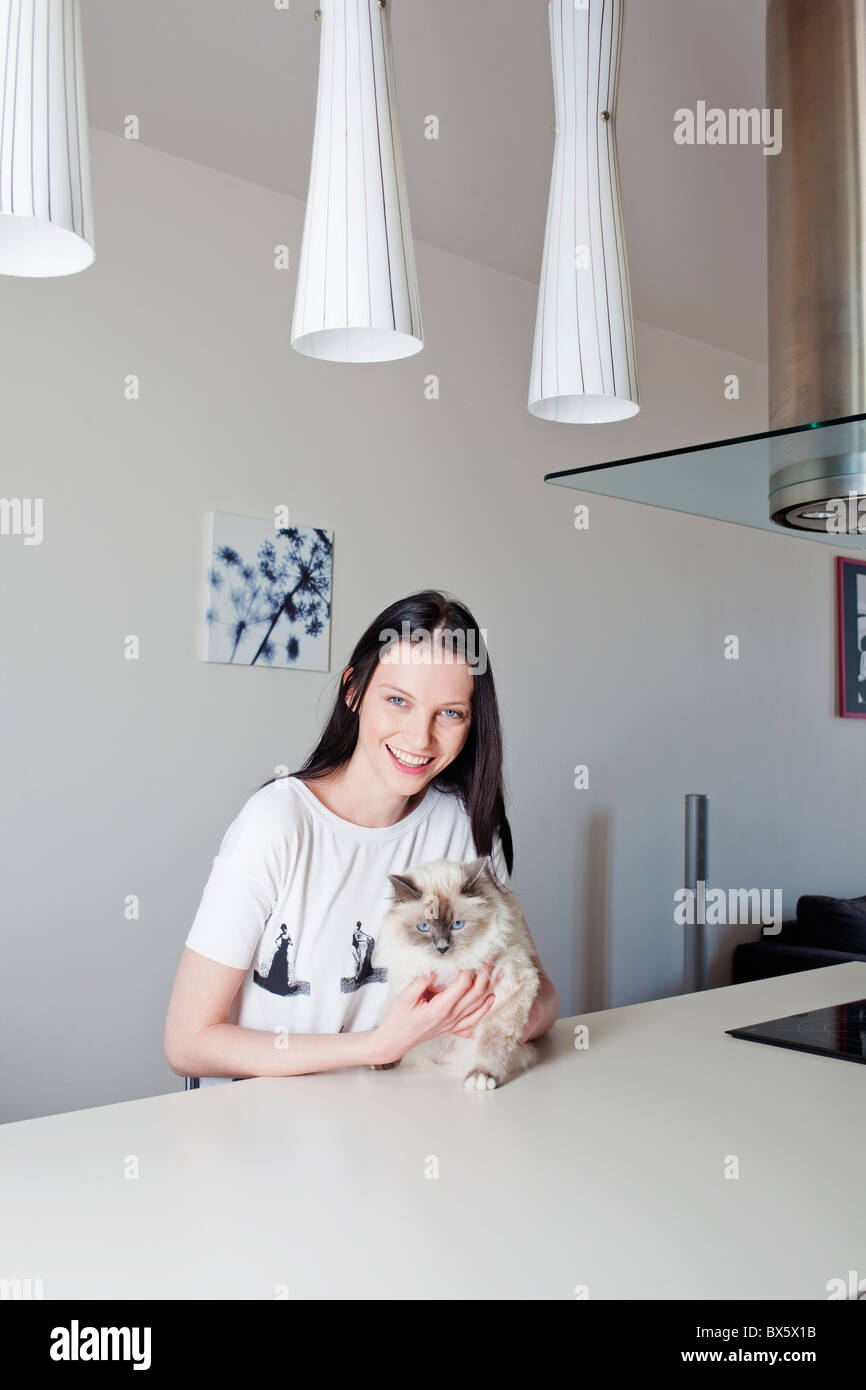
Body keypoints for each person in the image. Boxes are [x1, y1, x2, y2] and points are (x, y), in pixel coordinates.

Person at [163, 590, 559, 1081]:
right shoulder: (277, 822)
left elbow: (542, 999)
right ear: (353, 691)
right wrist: (377, 1044)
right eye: (398, 701)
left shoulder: (464, 826)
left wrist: (484, 1018)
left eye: (450, 713)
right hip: (259, 1125)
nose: (420, 738)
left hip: (390, 1116)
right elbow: (187, 1041)